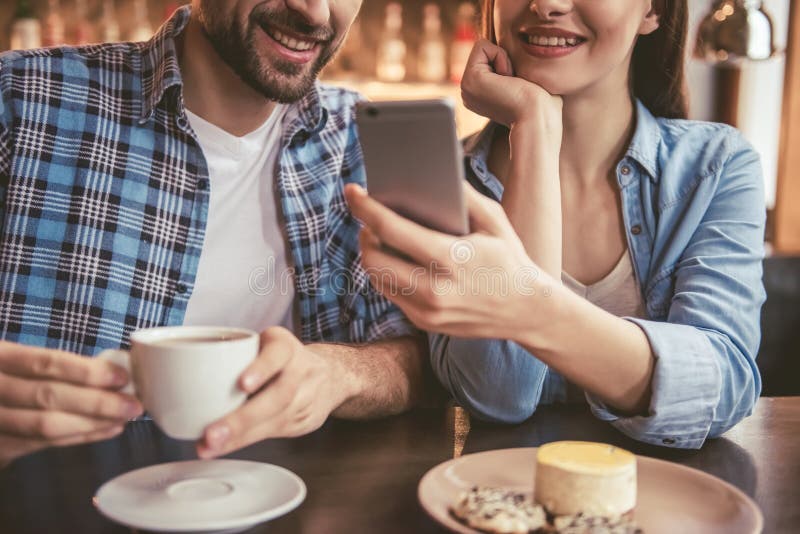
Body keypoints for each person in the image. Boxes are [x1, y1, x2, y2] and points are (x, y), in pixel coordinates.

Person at [0, 0, 428, 468]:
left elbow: (416, 358)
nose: (316, 13)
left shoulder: (360, 136)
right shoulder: (21, 101)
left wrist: (340, 374)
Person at [346, 0, 766, 449]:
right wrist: (535, 127)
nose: (547, 4)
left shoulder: (714, 167)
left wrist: (527, 308)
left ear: (653, 12)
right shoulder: (443, 183)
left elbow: (721, 386)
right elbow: (500, 394)